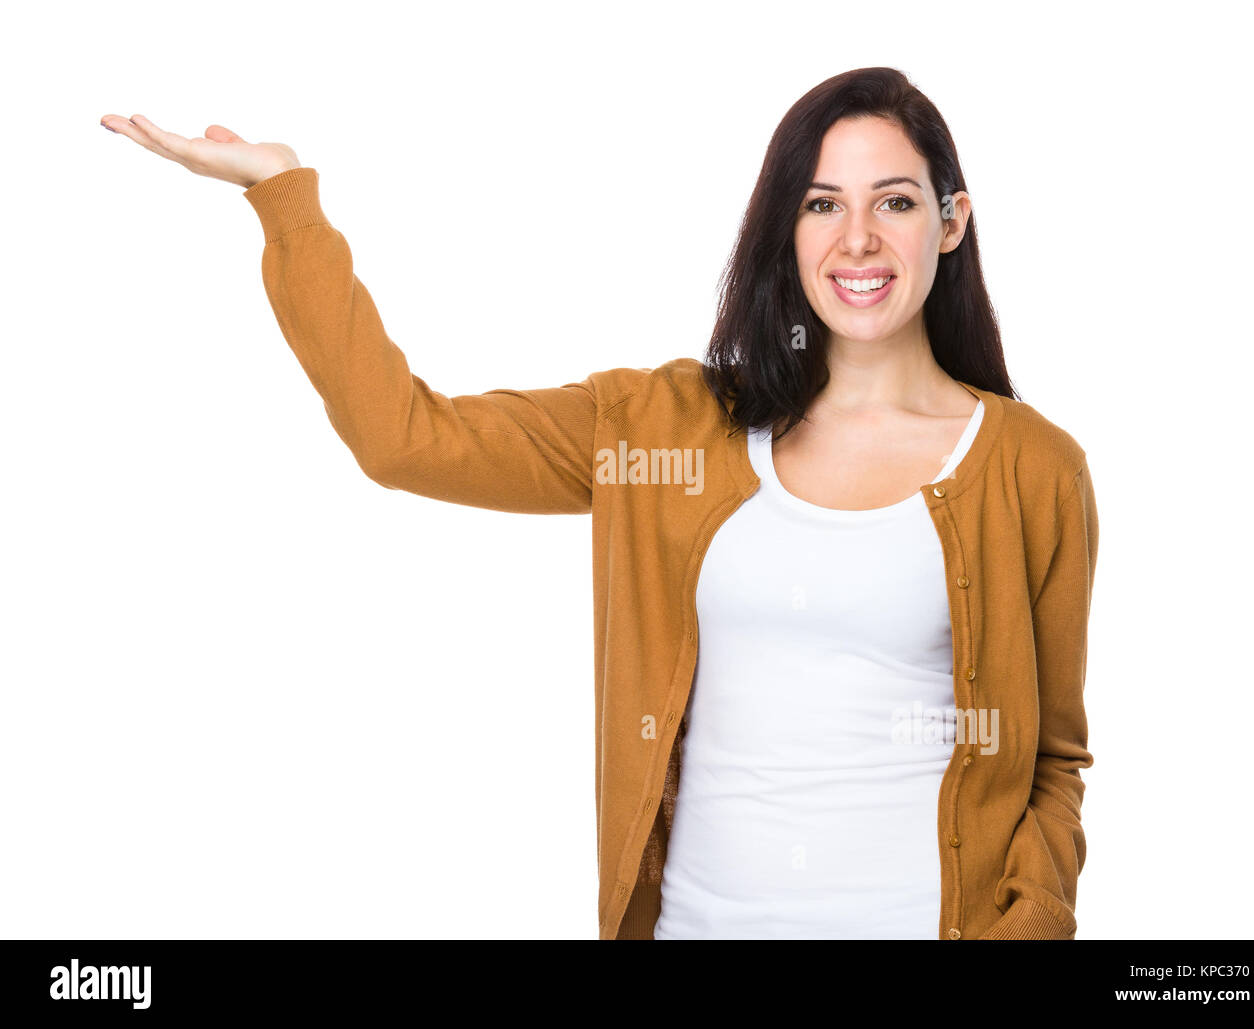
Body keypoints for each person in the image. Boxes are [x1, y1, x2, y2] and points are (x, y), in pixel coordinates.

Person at [100, 66, 1099, 940]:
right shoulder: (658, 431)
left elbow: (1051, 762)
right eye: (818, 204)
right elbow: (404, 439)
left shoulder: (1032, 469)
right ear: (783, 228)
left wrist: (1032, 924)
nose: (856, 240)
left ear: (951, 221)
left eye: (894, 203)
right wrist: (284, 197)